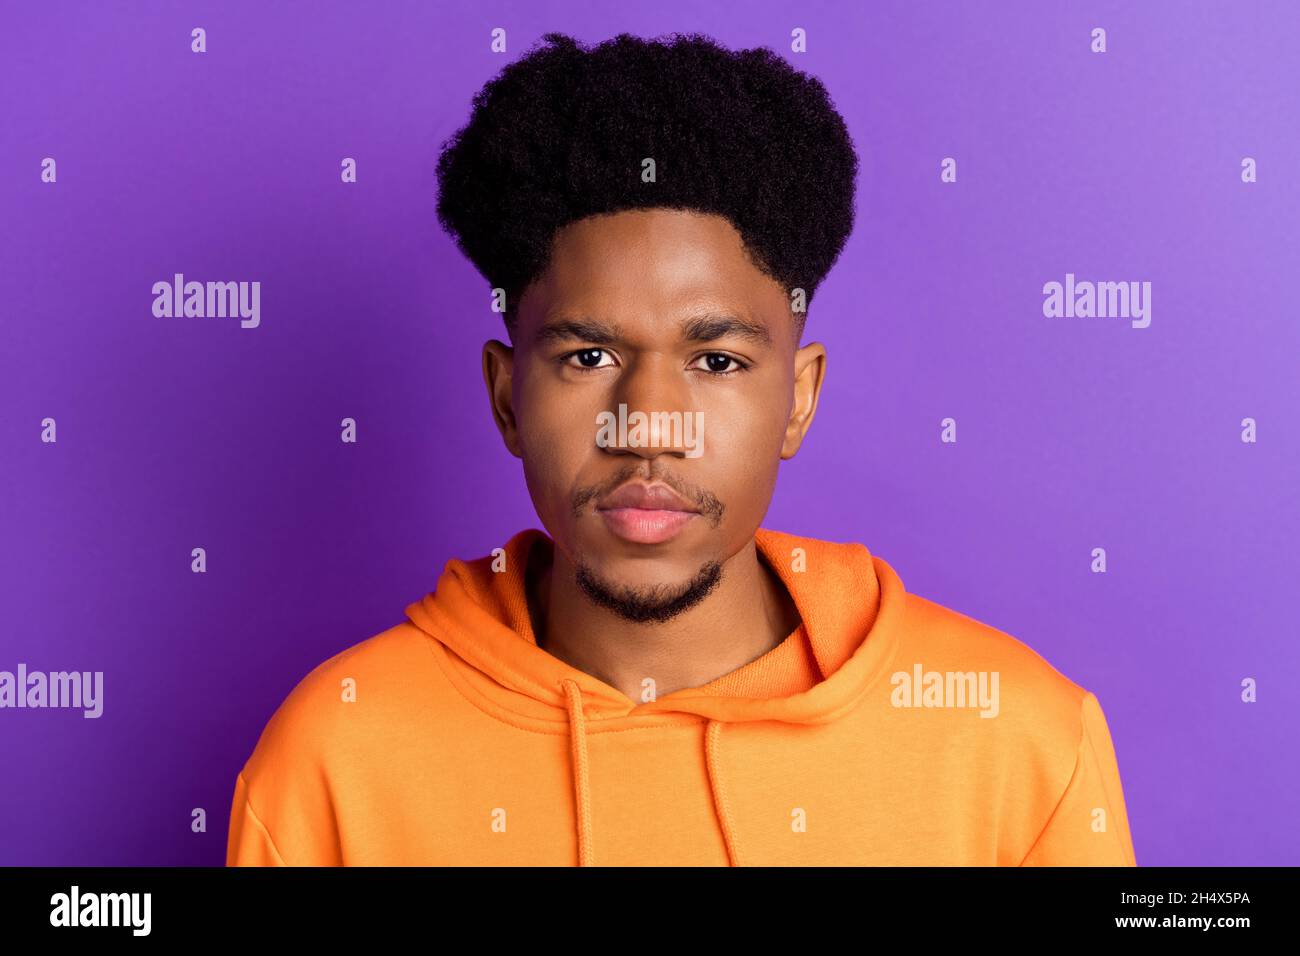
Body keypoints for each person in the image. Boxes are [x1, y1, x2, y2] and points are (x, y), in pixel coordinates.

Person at [227, 31, 1136, 866]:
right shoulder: (337, 756)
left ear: (799, 398)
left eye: (716, 359)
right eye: (589, 356)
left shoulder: (1018, 742)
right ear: (507, 397)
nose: (650, 424)